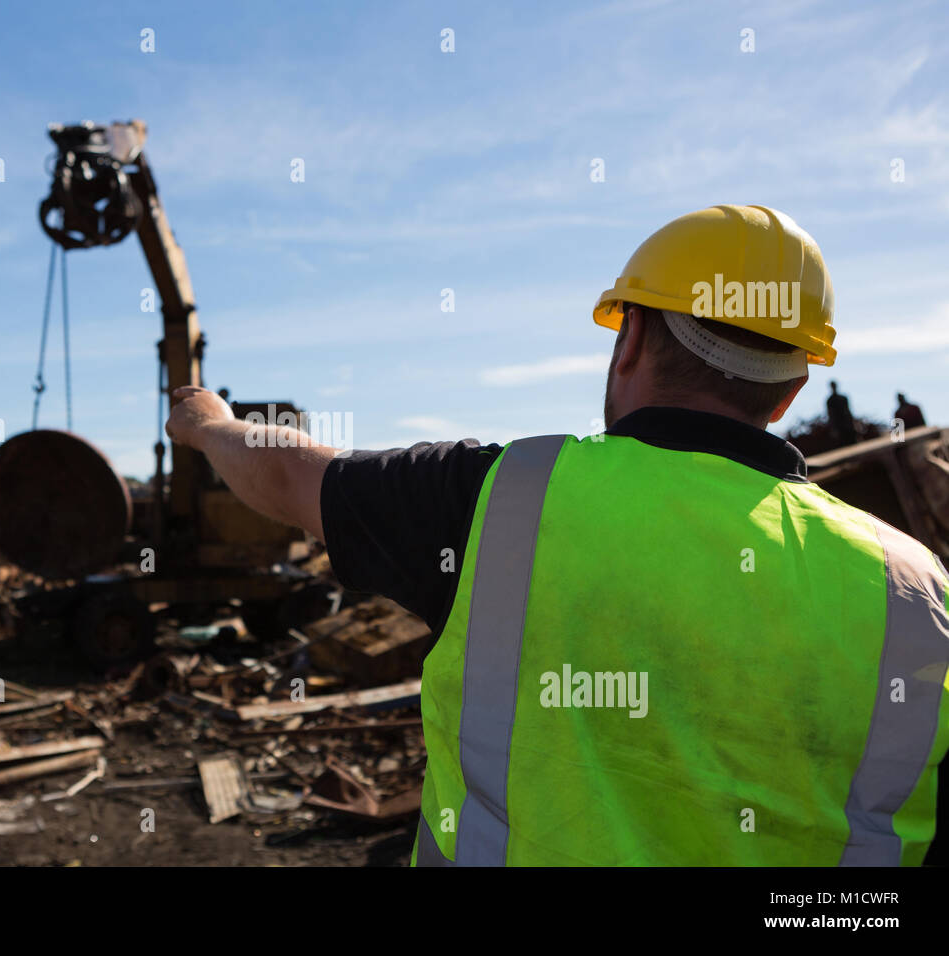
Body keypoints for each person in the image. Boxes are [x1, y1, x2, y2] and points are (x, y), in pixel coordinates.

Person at [165, 204, 949, 866]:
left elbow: (288, 476)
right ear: (791, 390)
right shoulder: (915, 591)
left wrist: (210, 423)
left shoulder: (498, 498)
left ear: (632, 337)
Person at [826, 380, 859, 445]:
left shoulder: (842, 398)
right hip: (840, 426)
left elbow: (848, 410)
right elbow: (831, 415)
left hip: (847, 424)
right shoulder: (830, 400)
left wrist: (853, 422)